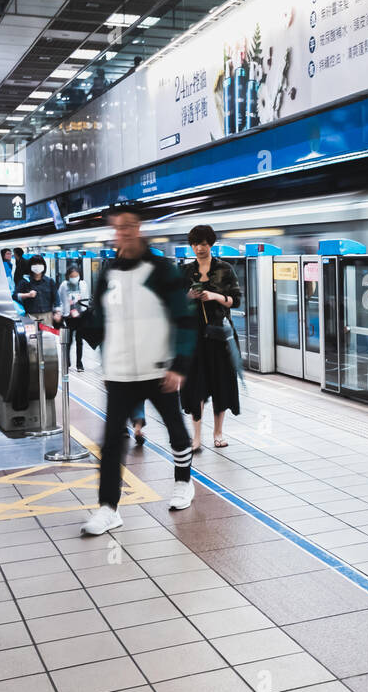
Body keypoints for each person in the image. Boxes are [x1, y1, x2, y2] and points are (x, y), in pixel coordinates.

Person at [79, 202, 196, 533]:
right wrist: (77, 325)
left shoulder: (162, 270)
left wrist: (178, 365)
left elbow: (184, 319)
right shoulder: (108, 273)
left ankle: (183, 482)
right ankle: (108, 507)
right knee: (111, 441)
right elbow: (101, 320)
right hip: (119, 373)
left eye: (129, 226)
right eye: (118, 227)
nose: (123, 232)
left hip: (158, 368)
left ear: (139, 229)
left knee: (175, 428)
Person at [180, 224, 241, 449]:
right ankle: (196, 437)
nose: (199, 248)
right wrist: (187, 296)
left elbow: (236, 300)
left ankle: (218, 432)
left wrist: (215, 296)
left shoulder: (225, 269)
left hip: (218, 336)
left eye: (203, 244)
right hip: (193, 338)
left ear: (211, 244)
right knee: (195, 386)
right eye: (195, 244)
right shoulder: (185, 271)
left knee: (220, 384)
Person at [57, 266, 88, 370]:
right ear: (68, 276)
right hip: (68, 317)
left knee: (79, 340)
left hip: (80, 316)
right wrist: (60, 313)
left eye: (76, 276)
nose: (74, 278)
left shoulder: (83, 284)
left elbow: (86, 299)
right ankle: (67, 361)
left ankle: (79, 363)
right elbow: (60, 300)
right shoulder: (64, 285)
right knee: (68, 341)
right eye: (72, 276)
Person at [16, 259, 58, 326]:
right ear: (30, 267)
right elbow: (15, 296)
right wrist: (27, 295)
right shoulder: (25, 281)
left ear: (44, 266)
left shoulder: (49, 281)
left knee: (47, 335)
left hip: (47, 315)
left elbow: (56, 298)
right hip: (30, 316)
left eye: (40, 264)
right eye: (34, 264)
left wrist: (57, 312)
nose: (37, 266)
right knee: (32, 336)